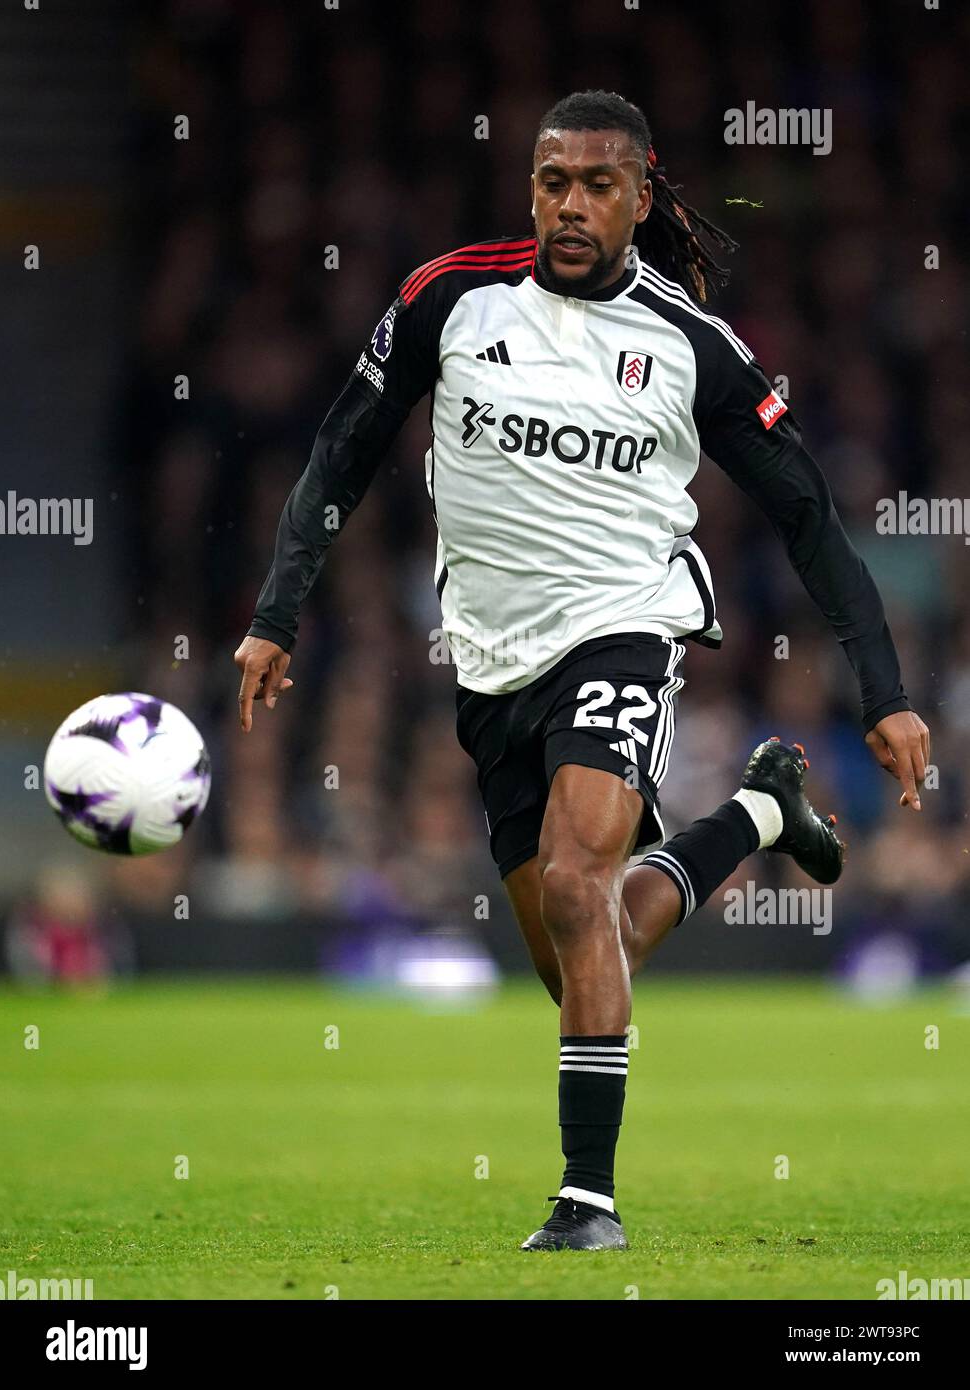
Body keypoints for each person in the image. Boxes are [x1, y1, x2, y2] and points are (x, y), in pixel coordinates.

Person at [234, 90, 930, 1251]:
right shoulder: (447, 298)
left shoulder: (688, 345)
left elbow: (808, 517)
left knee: (575, 879)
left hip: (623, 628)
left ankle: (585, 1203)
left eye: (597, 184)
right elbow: (339, 451)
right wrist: (275, 614)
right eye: (552, 180)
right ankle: (760, 807)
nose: (569, 204)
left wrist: (886, 693)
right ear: (529, 187)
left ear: (639, 195)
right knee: (579, 955)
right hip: (488, 657)